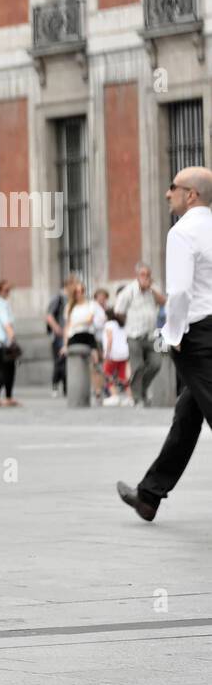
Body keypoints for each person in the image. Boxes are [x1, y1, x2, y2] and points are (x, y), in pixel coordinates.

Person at [118, 167, 212, 521]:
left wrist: (172, 336)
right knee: (188, 413)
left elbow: (181, 292)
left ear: (191, 195)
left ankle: (150, 493)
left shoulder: (182, 232)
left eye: (173, 187)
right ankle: (149, 494)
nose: (166, 193)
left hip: (197, 334)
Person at [114, 262, 166, 406]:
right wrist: (129, 324)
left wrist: (152, 290)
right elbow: (118, 311)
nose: (146, 277)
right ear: (137, 276)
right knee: (138, 367)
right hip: (134, 336)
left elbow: (163, 302)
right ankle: (137, 398)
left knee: (156, 363)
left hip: (151, 336)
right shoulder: (128, 291)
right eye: (143, 275)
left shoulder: (153, 289)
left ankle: (141, 388)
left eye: (148, 275)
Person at [45, 275, 75, 397]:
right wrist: (57, 328)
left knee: (66, 360)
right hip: (60, 335)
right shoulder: (59, 298)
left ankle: (66, 387)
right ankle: (55, 385)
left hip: (69, 333)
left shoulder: (71, 298)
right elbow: (49, 315)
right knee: (60, 360)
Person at [101, 308, 133, 406]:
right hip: (123, 353)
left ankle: (114, 395)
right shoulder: (121, 325)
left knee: (107, 374)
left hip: (113, 354)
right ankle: (130, 397)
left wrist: (107, 353)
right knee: (123, 376)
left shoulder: (109, 324)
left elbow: (110, 339)